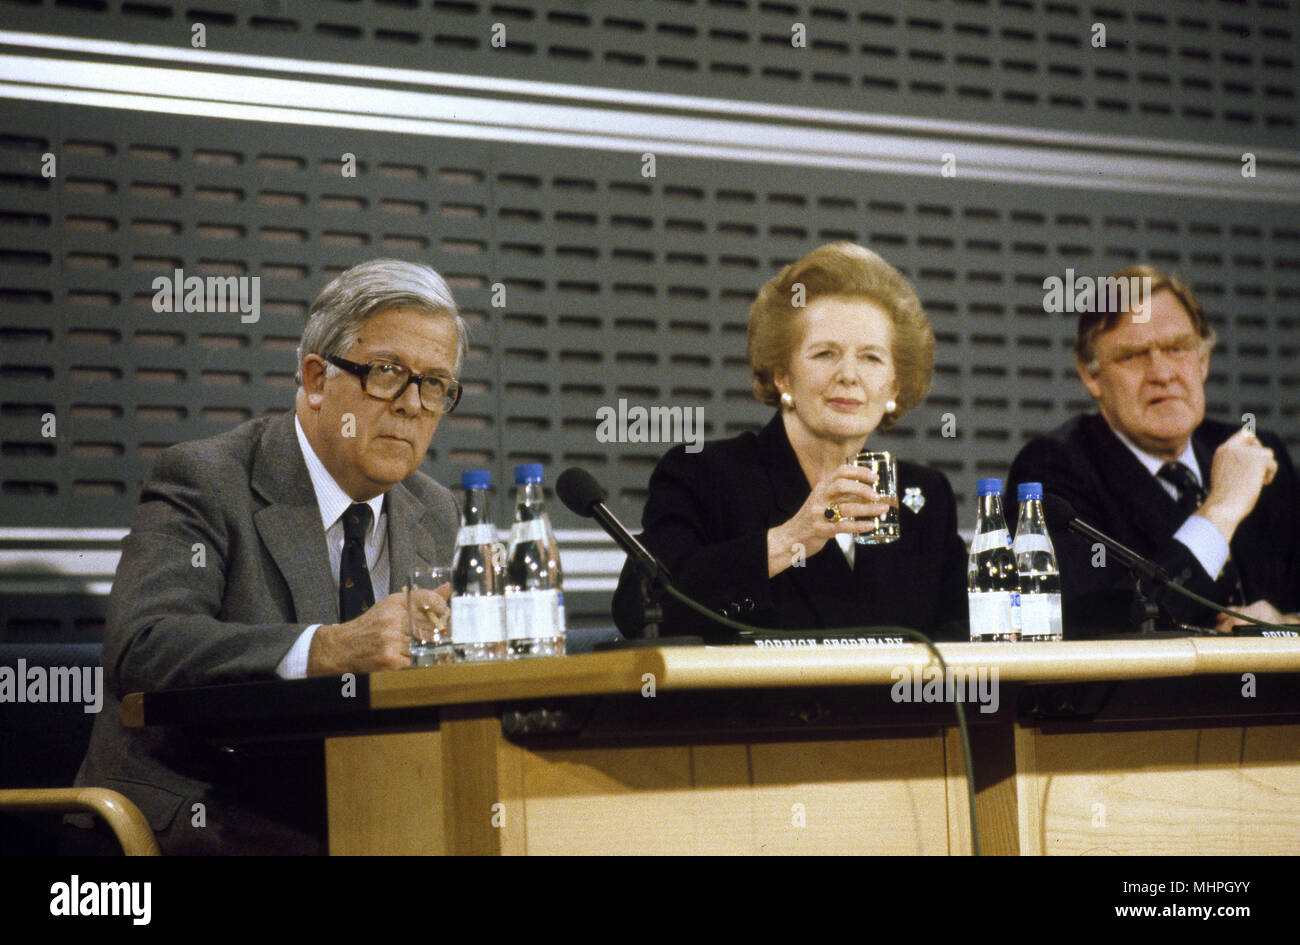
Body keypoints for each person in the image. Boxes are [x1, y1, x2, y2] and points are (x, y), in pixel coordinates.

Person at [68, 259, 465, 854]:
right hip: (206, 808)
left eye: (434, 384)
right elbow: (143, 646)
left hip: (370, 804)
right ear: (314, 378)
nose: (412, 404)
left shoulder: (433, 511)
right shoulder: (207, 478)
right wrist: (327, 649)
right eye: (387, 373)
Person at [612, 243, 967, 642]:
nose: (849, 375)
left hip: (897, 705)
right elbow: (641, 611)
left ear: (894, 386)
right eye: (824, 353)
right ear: (782, 375)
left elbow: (966, 630)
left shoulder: (925, 496)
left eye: (871, 358)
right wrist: (790, 539)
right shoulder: (706, 475)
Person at [1006, 264, 1300, 636]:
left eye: (1178, 349)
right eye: (1132, 356)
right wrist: (1220, 510)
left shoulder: (1258, 453)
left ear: (1204, 360)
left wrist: (1286, 625)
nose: (1162, 373)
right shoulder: (1054, 469)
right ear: (1090, 375)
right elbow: (1097, 623)